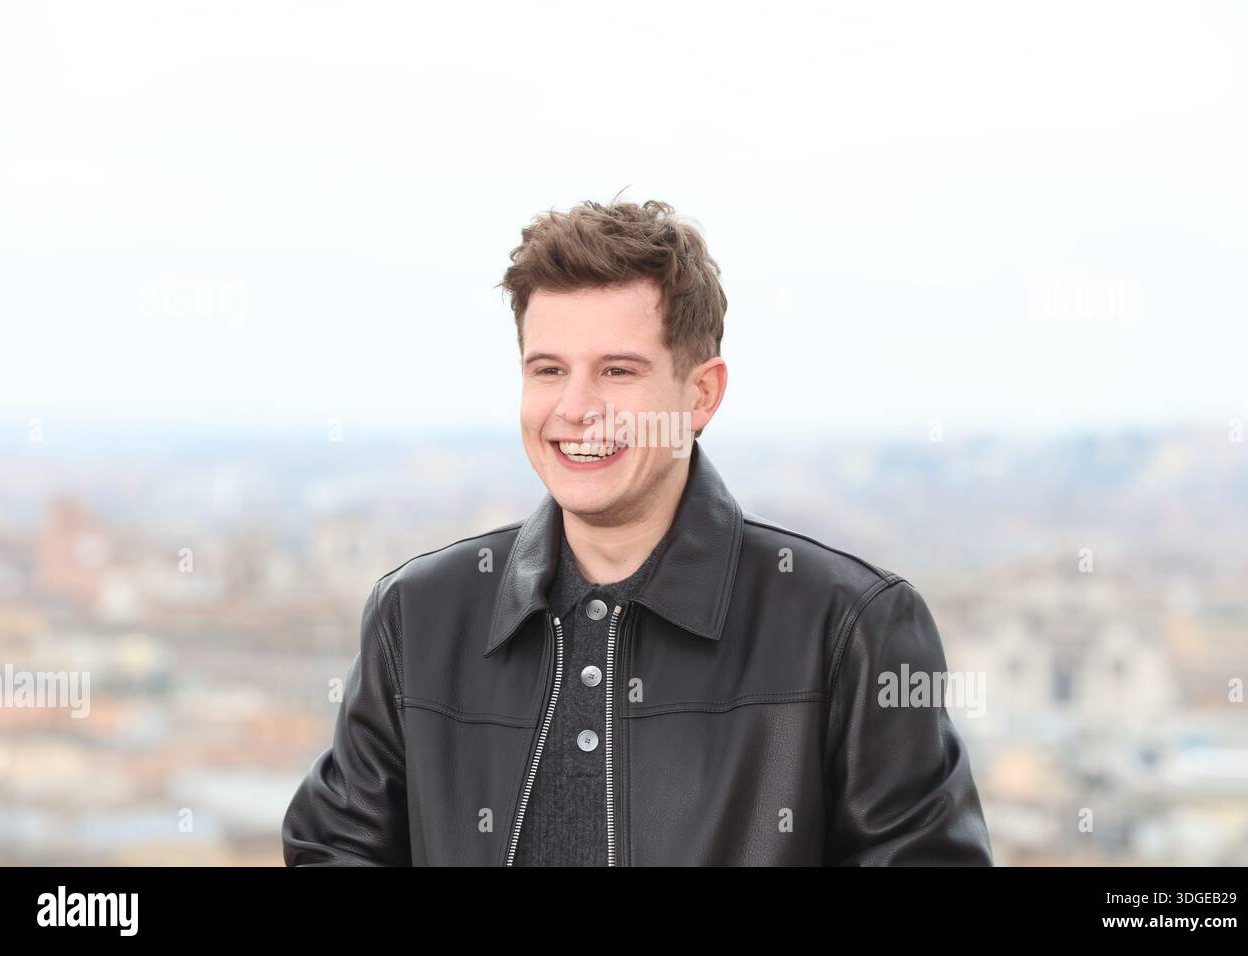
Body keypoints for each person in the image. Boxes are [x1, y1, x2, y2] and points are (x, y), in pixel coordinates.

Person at [282, 196, 993, 865]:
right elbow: (335, 849)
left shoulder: (848, 629)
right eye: (549, 369)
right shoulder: (419, 614)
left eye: (618, 371)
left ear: (701, 394)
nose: (576, 408)